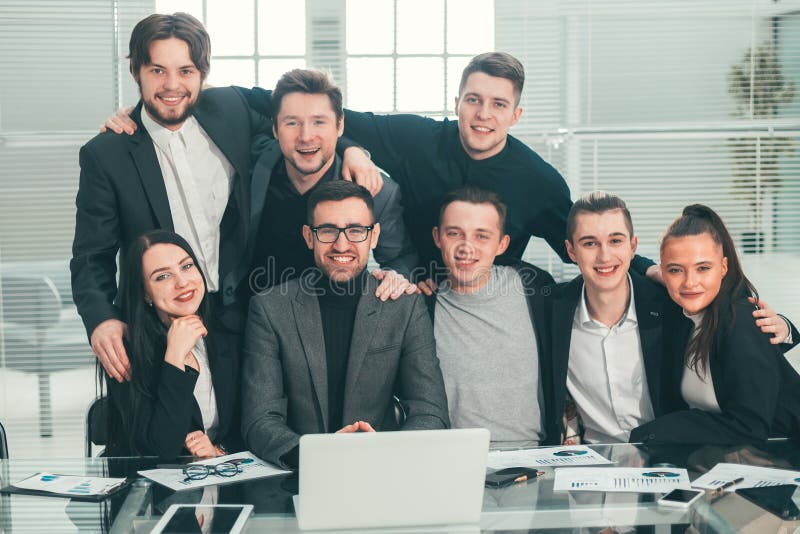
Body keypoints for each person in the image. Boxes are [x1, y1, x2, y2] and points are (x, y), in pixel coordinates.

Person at [74, 13, 377, 384]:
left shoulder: (231, 109)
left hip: (239, 319)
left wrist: (351, 149)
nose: (172, 85)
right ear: (136, 70)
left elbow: (306, 116)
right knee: (171, 438)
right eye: (157, 71)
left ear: (203, 72)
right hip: (156, 330)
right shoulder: (107, 154)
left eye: (185, 71)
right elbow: (91, 256)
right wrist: (102, 319)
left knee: (240, 436)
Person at [239, 52, 658, 284]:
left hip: (487, 304)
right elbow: (320, 115)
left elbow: (586, 243)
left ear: (516, 115)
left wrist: (654, 270)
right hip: (414, 294)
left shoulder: (538, 181)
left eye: (498, 104)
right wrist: (353, 149)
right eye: (473, 99)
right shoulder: (416, 140)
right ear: (456, 102)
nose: (482, 114)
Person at [549, 193, 794, 445]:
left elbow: (726, 304)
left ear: (632, 246)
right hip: (596, 460)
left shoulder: (672, 308)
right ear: (571, 250)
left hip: (695, 456)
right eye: (589, 243)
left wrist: (785, 328)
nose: (604, 256)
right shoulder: (552, 312)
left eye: (616, 240)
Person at [241, 181, 449, 469]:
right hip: (300, 477)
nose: (342, 245)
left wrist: (387, 454)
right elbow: (260, 418)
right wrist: (319, 457)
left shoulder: (404, 305)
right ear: (308, 236)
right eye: (327, 230)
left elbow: (431, 411)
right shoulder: (269, 308)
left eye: (355, 230)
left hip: (384, 471)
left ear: (374, 236)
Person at [630, 205, 800, 444]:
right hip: (728, 459)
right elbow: (631, 259)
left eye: (703, 268)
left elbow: (750, 428)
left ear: (723, 268)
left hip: (783, 455)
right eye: (676, 270)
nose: (690, 282)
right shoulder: (685, 314)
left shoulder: (739, 321)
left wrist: (654, 432)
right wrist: (652, 271)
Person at [248, 69, 417, 297]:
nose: (306, 136)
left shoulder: (374, 188)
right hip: (255, 317)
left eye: (319, 122)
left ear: (340, 126)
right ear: (275, 129)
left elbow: (400, 258)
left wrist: (395, 277)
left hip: (338, 317)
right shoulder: (248, 169)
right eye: (292, 123)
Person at [427, 186, 555, 445]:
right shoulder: (422, 307)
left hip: (534, 457)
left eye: (481, 236)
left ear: (502, 244)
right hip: (453, 459)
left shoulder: (535, 289)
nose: (466, 247)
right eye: (454, 234)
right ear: (437, 237)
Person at [104, 230, 241, 458]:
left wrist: (219, 450)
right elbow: (160, 449)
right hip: (156, 487)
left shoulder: (231, 333)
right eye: (162, 277)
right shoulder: (125, 350)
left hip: (224, 478)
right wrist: (175, 356)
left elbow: (249, 424)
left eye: (187, 266)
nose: (182, 282)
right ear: (145, 293)